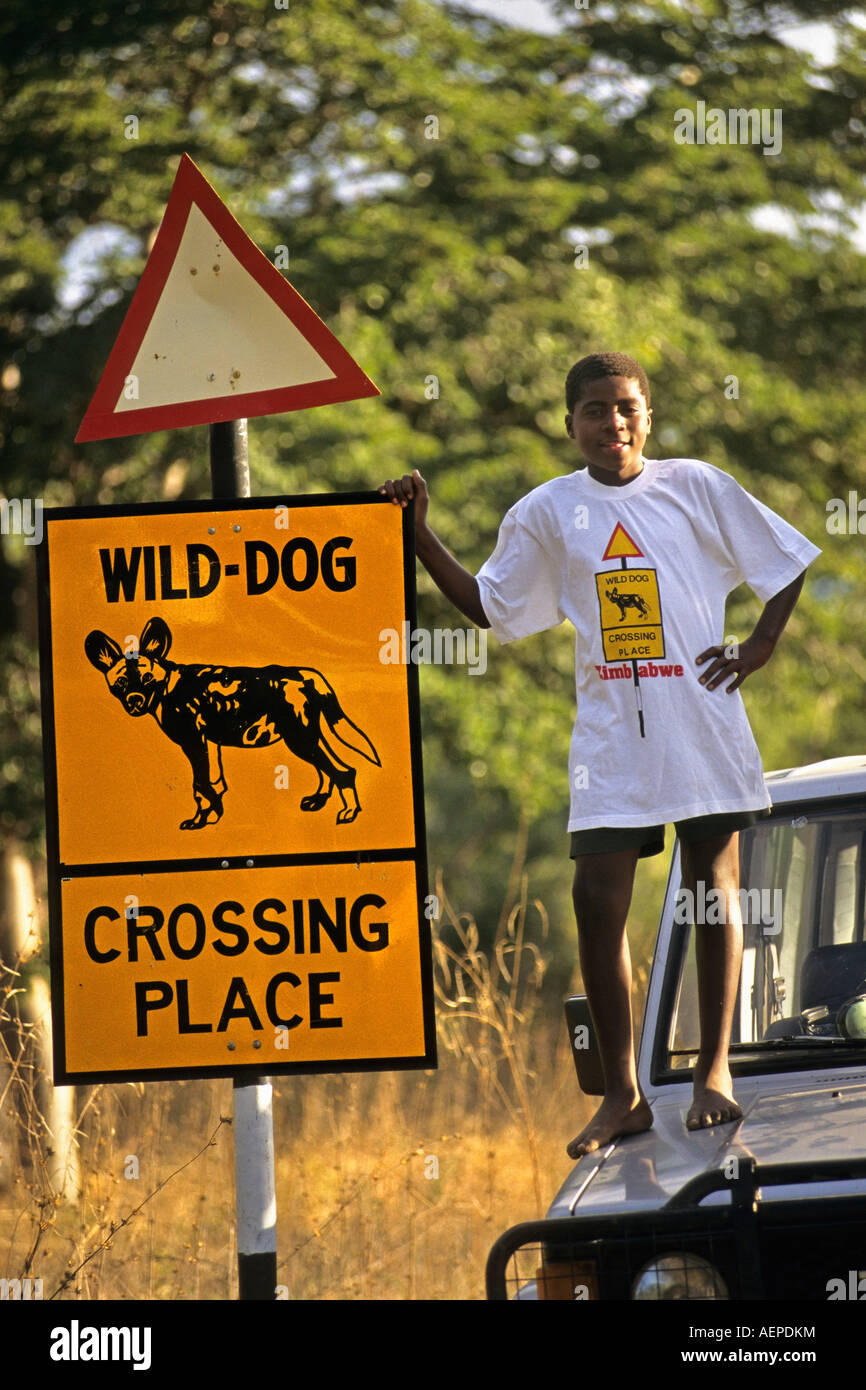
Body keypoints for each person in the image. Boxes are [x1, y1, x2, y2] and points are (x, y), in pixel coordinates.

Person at [379, 350, 820, 1159]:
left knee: (712, 892)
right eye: (594, 410)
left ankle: (712, 1071)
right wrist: (418, 537)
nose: (611, 424)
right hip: (612, 744)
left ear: (647, 415)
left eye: (625, 408)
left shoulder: (698, 486)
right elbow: (490, 606)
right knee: (595, 898)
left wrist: (758, 645)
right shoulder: (548, 512)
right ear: (570, 422)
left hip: (702, 724)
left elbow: (785, 560)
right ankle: (622, 1092)